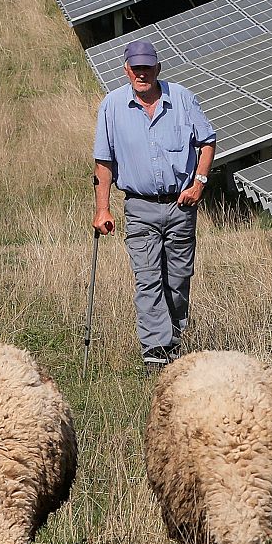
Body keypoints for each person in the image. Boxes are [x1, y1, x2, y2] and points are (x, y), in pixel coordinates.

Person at [92, 40, 217, 371]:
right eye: (136, 68)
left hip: (181, 206)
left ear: (157, 68)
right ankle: (155, 353)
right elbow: (103, 162)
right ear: (126, 70)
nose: (141, 74)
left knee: (178, 279)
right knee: (148, 279)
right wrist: (102, 209)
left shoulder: (182, 98)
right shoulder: (112, 106)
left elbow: (207, 142)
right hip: (140, 208)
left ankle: (173, 343)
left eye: (147, 67)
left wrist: (199, 183)